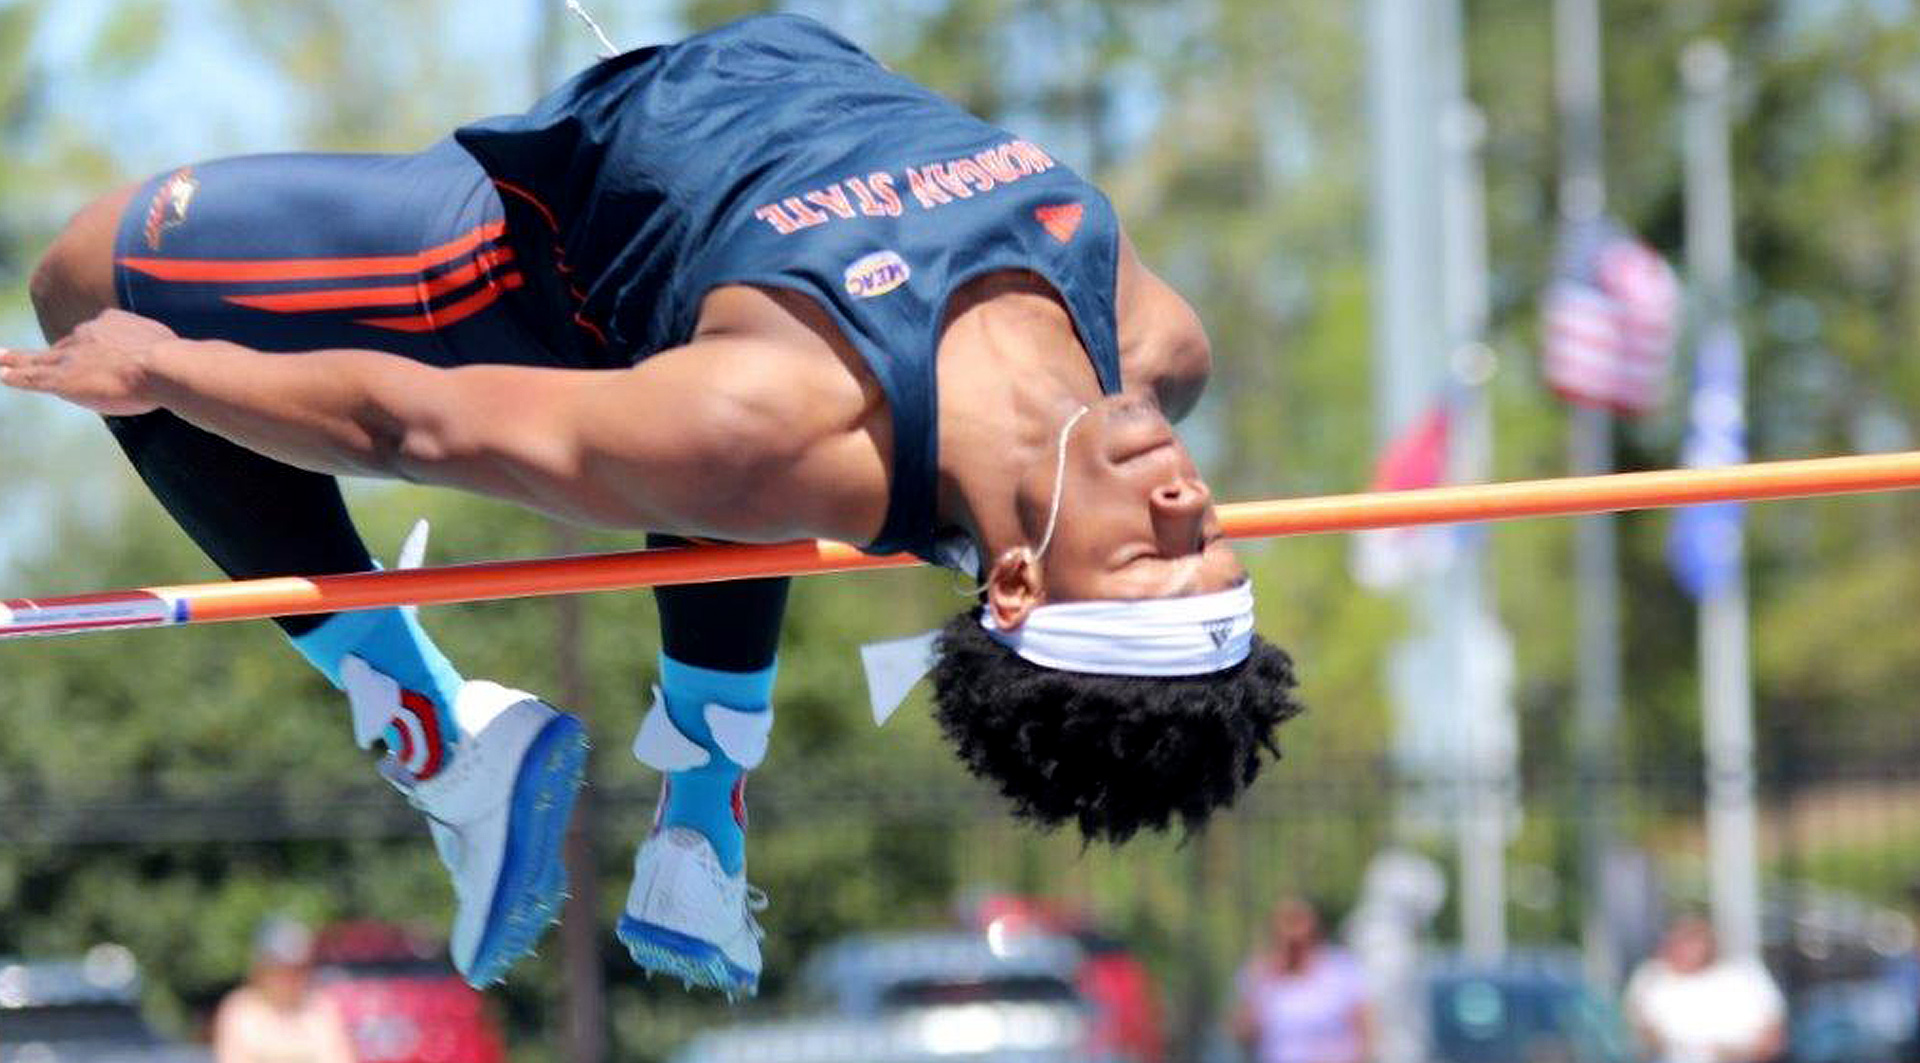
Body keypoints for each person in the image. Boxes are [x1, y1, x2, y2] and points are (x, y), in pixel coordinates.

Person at [8, 12, 1301, 997]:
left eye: (1151, 556)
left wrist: (163, 368)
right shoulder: (1153, 341)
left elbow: (406, 420)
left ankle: (434, 726)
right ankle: (701, 814)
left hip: (536, 250)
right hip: (740, 176)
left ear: (1014, 587)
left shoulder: (774, 425)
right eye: (1216, 544)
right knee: (730, 451)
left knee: (89, 275)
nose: (1189, 498)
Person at [1623, 914, 1786, 1063]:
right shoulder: (1651, 977)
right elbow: (1640, 1034)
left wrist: (1731, 1054)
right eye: (1679, 941)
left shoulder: (1745, 975)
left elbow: (1773, 1041)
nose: (1686, 950)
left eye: (1693, 941)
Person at [1230, 897, 1372, 1063]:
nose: (1291, 932)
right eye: (1284, 922)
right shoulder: (1260, 971)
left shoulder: (1341, 969)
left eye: (1296, 920)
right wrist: (1258, 984)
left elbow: (1366, 1029)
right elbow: (1243, 1035)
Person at [212, 917, 360, 1063]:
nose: (288, 976)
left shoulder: (323, 1008)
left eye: (297, 968)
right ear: (261, 968)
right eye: (279, 967)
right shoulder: (239, 1012)